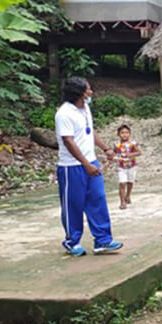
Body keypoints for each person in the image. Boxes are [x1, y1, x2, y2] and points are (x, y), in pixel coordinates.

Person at [55, 76, 123, 257]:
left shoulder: (85, 108)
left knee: (98, 200)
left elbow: (90, 131)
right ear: (79, 93)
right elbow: (68, 141)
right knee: (73, 205)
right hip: (72, 167)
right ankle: (72, 242)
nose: (91, 92)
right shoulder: (64, 114)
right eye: (88, 89)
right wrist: (85, 164)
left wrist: (105, 149)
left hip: (91, 162)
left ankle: (103, 240)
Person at [114, 124, 141, 210]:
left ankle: (128, 195)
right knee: (122, 183)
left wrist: (131, 154)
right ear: (118, 134)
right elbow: (113, 153)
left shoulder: (133, 144)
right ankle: (122, 202)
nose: (124, 135)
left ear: (129, 134)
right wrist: (109, 162)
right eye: (122, 133)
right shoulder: (117, 145)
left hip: (132, 166)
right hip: (121, 167)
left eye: (126, 133)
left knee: (130, 182)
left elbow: (139, 152)